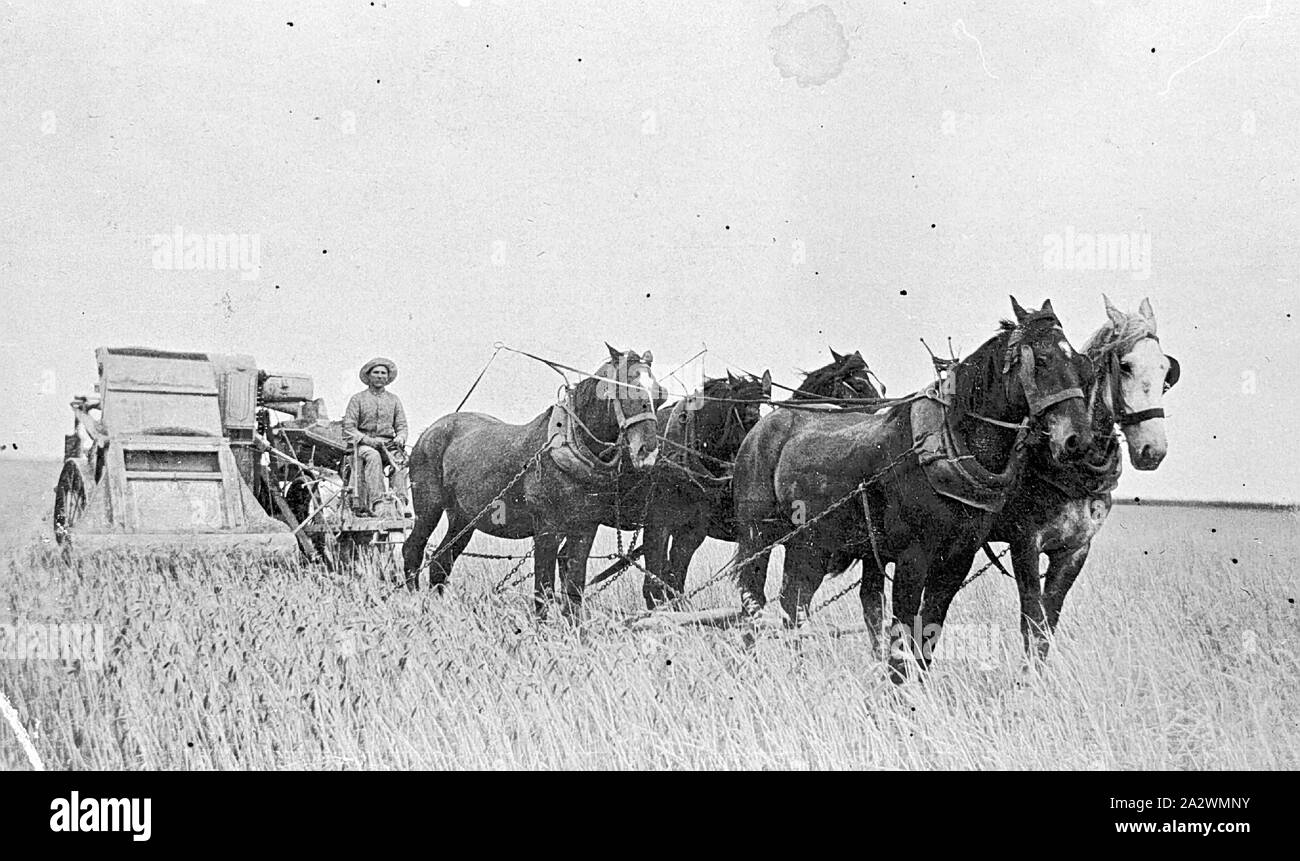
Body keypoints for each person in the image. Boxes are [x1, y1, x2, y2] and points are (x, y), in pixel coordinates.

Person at [342, 357, 409, 515]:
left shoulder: (394, 400)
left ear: (387, 378)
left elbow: (402, 426)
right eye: (376, 373)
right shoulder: (357, 399)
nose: (380, 376)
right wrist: (368, 441)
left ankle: (400, 502)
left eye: (383, 373)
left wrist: (400, 437)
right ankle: (377, 502)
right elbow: (349, 427)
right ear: (369, 376)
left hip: (388, 445)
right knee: (373, 457)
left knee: (400, 460)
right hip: (363, 445)